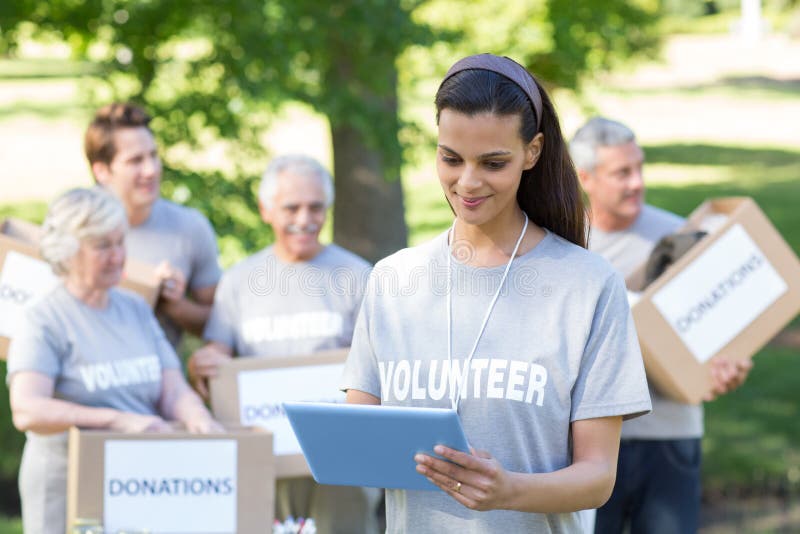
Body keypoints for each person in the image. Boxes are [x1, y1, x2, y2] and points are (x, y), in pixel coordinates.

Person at [340, 53, 652, 533]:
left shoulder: (588, 285)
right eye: (450, 158)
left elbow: (597, 477)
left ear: (532, 152)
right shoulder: (392, 280)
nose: (467, 182)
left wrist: (510, 492)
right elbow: (358, 441)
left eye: (493, 162)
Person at [570, 116, 752, 534]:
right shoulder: (566, 247)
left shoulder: (679, 239)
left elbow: (717, 333)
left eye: (639, 168)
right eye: (622, 173)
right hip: (591, 445)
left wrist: (728, 366)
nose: (636, 182)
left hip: (670, 435)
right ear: (586, 177)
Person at [6, 187, 221, 534]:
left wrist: (197, 417)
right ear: (68, 252)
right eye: (103, 246)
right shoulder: (43, 320)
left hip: (138, 483)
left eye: (121, 242)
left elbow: (171, 387)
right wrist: (117, 420)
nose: (118, 256)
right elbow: (28, 409)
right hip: (67, 487)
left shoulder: (135, 307)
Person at [188, 154, 379, 533]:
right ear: (265, 209)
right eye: (291, 207)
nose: (305, 219)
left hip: (340, 467)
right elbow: (218, 357)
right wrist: (202, 365)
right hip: (266, 464)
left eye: (316, 207)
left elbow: (382, 367)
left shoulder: (359, 276)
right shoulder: (240, 281)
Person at [85, 103, 222, 348]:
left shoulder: (189, 227)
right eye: (135, 161)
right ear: (102, 171)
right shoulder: (74, 226)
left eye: (153, 156)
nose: (151, 170)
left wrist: (174, 304)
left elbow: (220, 326)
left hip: (159, 382)